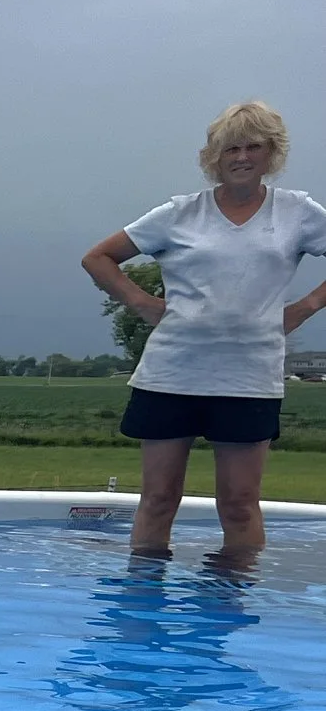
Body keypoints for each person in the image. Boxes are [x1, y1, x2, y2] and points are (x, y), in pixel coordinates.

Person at [82, 101, 326, 553]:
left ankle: (231, 597)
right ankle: (144, 593)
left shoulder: (298, 212)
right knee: (158, 500)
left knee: (239, 505)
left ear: (271, 153)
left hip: (249, 378)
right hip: (170, 375)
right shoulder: (179, 213)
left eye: (253, 146)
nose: (242, 157)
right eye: (231, 148)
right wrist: (142, 303)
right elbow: (98, 258)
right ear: (214, 156)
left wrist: (305, 307)